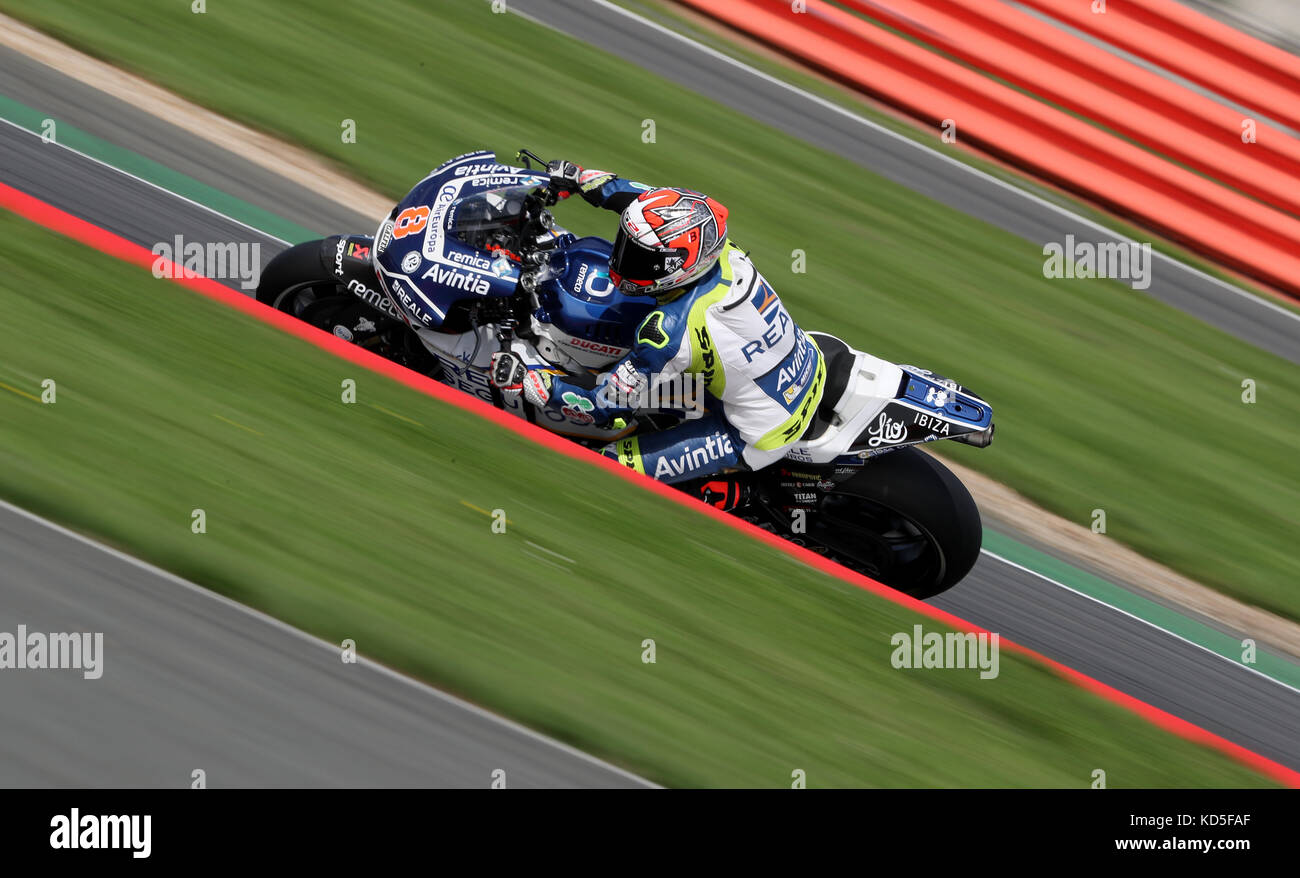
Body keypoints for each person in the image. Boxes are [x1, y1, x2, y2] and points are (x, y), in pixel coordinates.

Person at [489, 160, 825, 504]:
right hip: (799, 360)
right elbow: (640, 201)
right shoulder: (722, 250)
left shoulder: (668, 332)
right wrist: (584, 181)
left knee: (606, 467)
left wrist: (535, 384)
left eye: (640, 259)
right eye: (626, 248)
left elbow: (603, 406)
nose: (621, 263)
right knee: (658, 394)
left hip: (760, 428)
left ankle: (740, 498)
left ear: (676, 267)